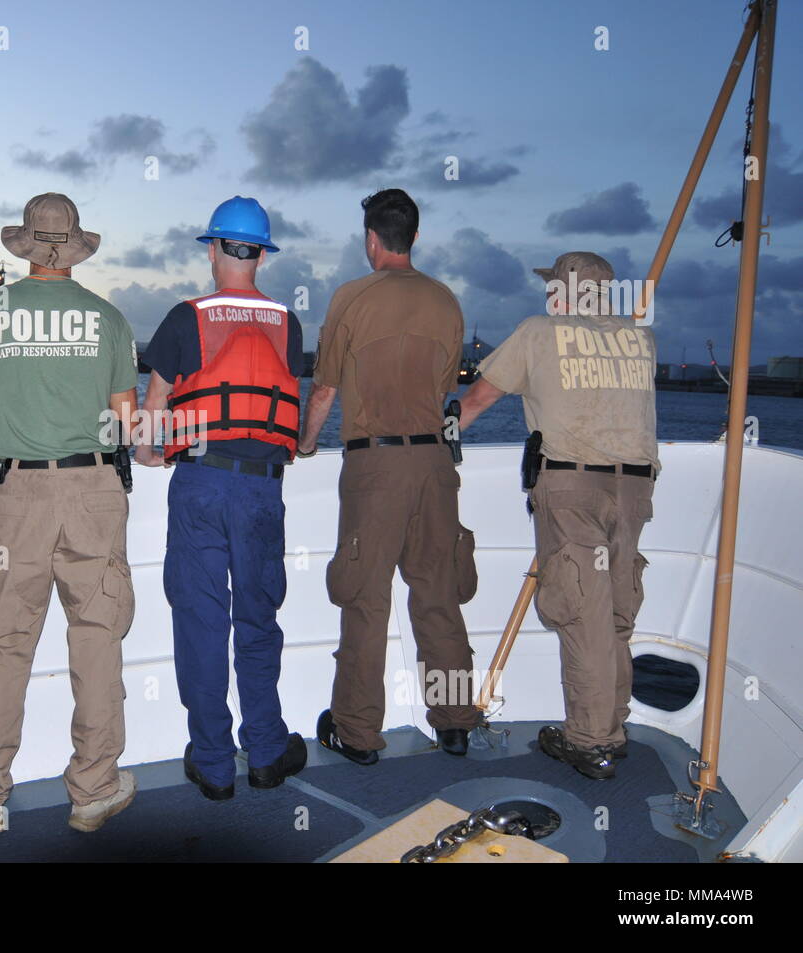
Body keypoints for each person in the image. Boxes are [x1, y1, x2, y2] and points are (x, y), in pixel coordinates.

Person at [0, 192, 139, 836]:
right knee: (97, 637)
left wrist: (15, 466)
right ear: (75, 245)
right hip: (94, 490)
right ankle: (93, 789)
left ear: (28, 244)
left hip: (18, 495)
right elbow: (124, 419)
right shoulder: (107, 318)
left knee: (3, 640)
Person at [459, 251, 658, 780]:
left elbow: (477, 400)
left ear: (564, 291)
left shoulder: (538, 331)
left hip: (572, 487)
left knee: (581, 611)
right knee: (616, 613)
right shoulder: (640, 338)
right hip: (635, 488)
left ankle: (591, 741)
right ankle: (612, 725)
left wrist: (438, 436)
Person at [299, 188, 480, 765]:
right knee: (438, 596)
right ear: (415, 238)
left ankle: (357, 732)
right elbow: (445, 387)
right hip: (434, 465)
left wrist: (305, 444)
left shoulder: (351, 296)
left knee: (365, 597)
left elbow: (325, 387)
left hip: (374, 465)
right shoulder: (447, 301)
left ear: (371, 240)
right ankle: (453, 723)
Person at [136, 196, 308, 800]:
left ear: (214, 249)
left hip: (201, 485)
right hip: (262, 492)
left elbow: (155, 409)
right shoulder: (289, 322)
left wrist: (149, 452)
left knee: (201, 620)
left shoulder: (186, 316)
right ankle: (264, 751)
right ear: (260, 254)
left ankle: (212, 764)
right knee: (258, 619)